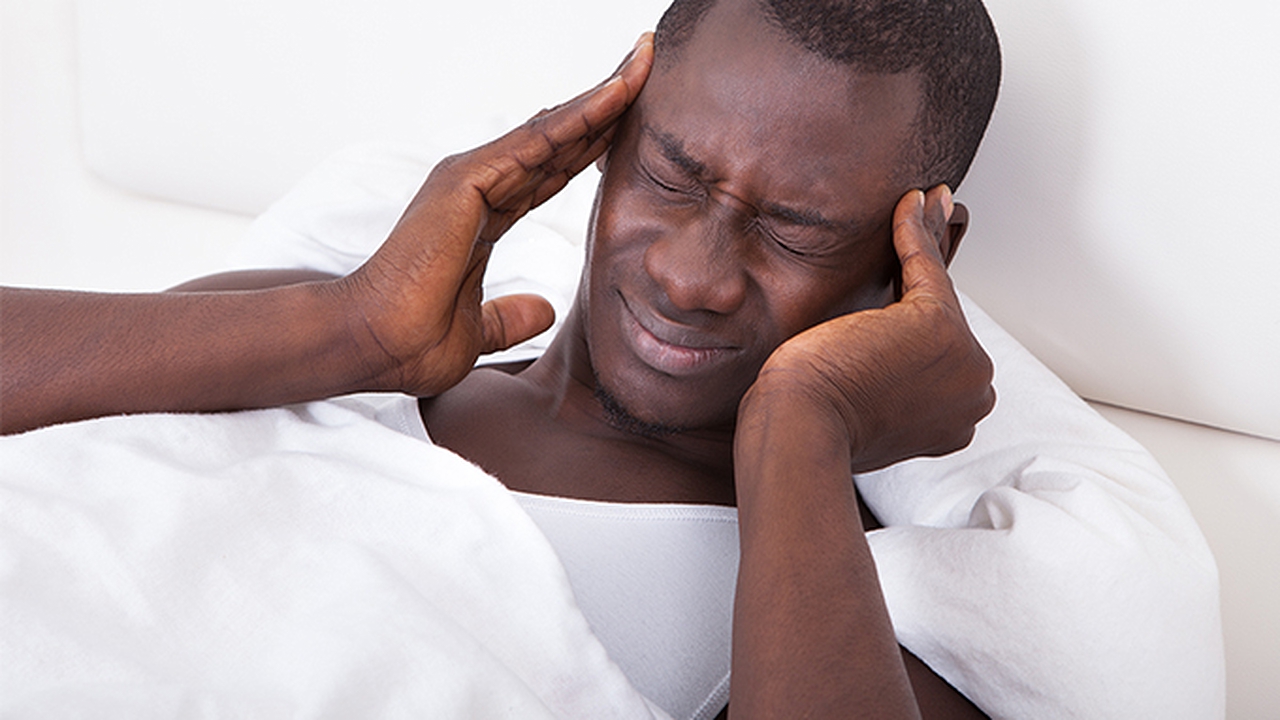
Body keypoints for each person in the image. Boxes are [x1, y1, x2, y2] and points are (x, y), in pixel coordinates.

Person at [0, 1, 1223, 718]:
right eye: (672, 177)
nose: (692, 273)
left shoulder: (820, 598)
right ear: (609, 131)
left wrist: (800, 427)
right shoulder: (309, 341)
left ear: (920, 251)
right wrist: (356, 330)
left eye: (794, 231)